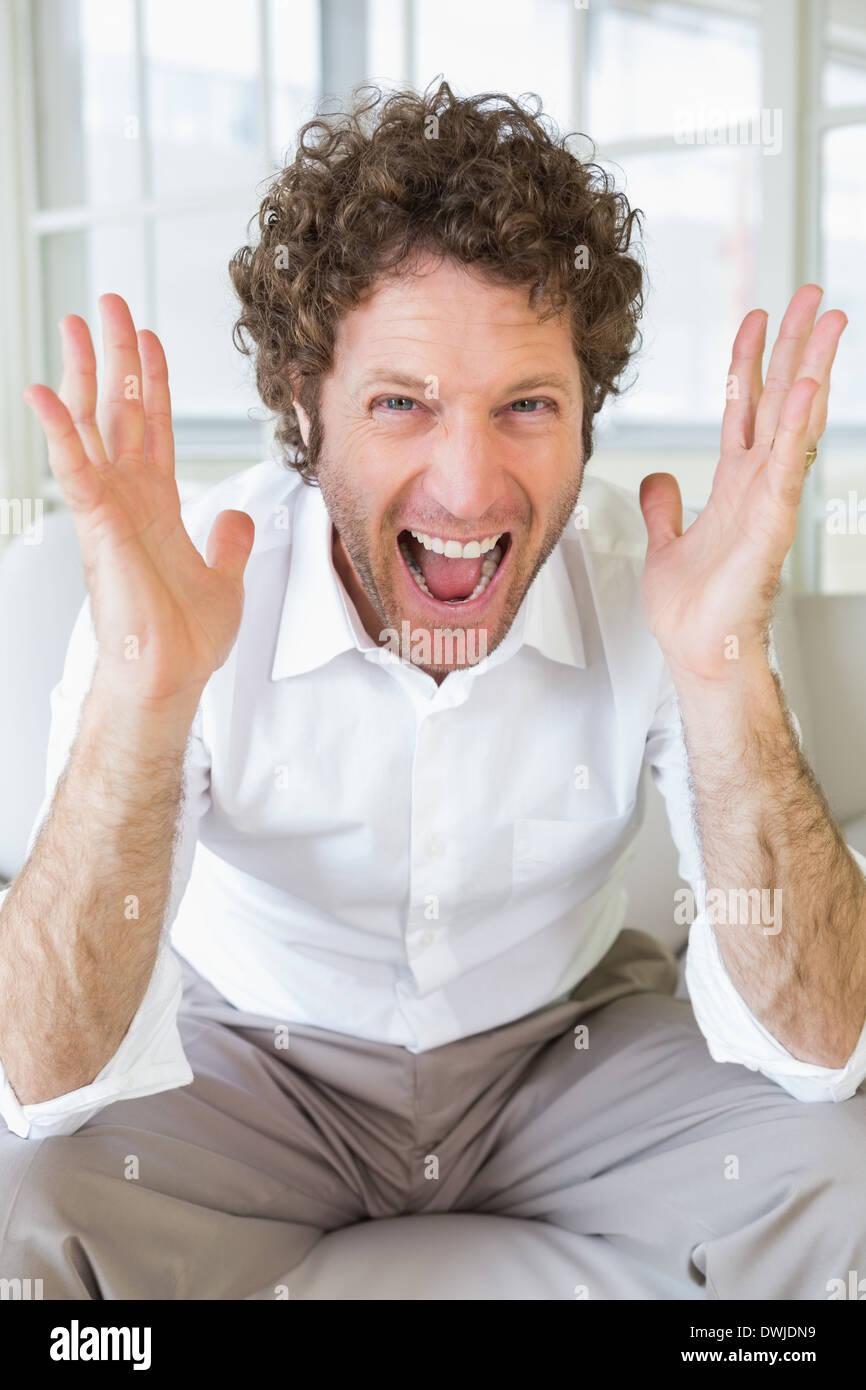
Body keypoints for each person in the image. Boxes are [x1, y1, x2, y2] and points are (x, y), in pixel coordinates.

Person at [1, 82, 865, 1301]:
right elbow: (40, 1078)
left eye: (526, 406)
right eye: (400, 403)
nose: (466, 488)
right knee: (27, 1216)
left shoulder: (654, 583)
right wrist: (143, 694)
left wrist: (722, 670)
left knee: (846, 1179)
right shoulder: (173, 581)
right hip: (250, 1057)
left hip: (555, 1051)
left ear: (585, 420)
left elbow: (824, 1053)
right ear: (305, 407)